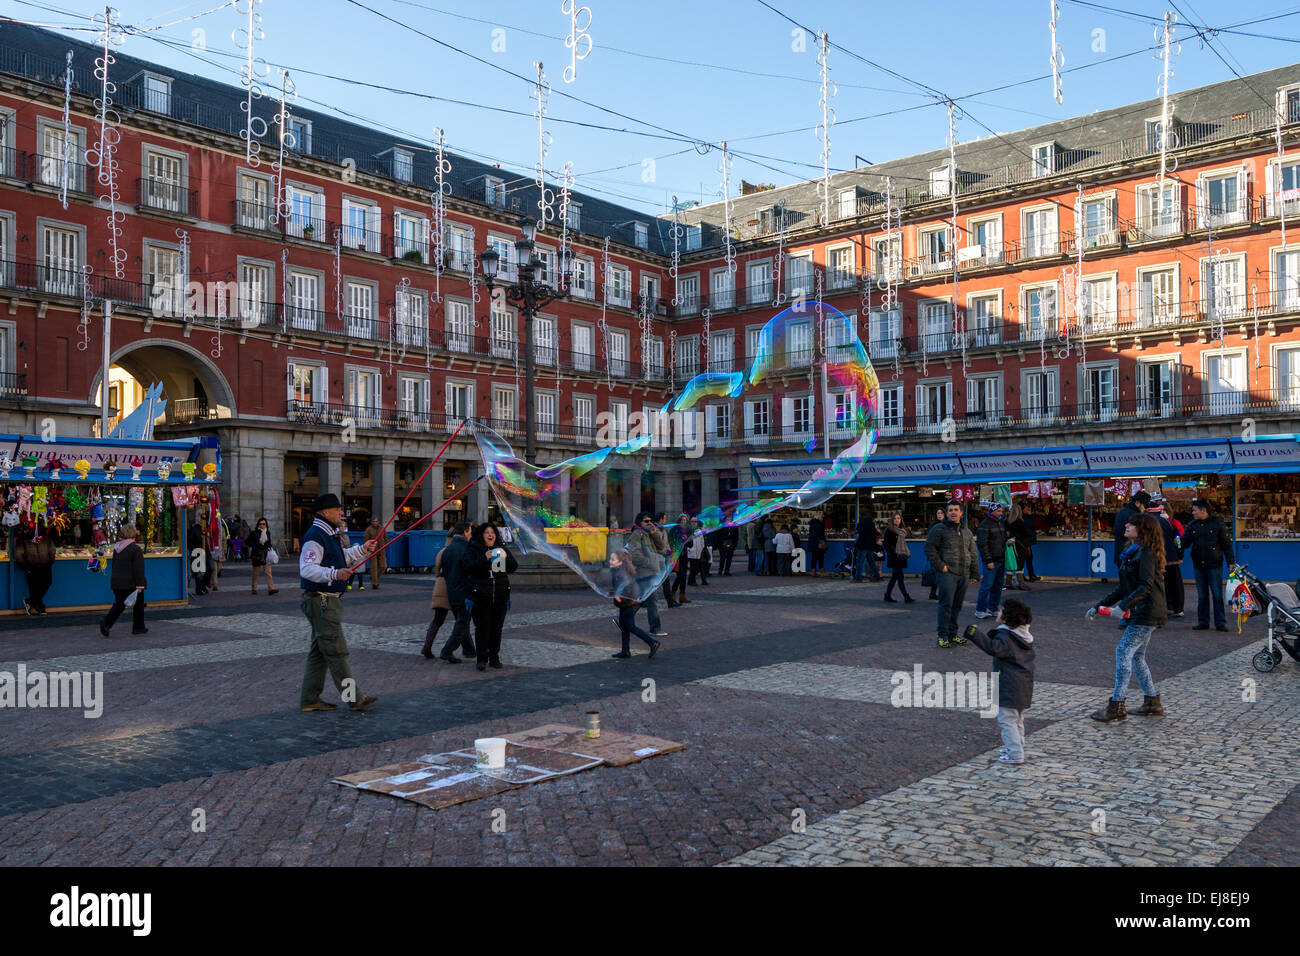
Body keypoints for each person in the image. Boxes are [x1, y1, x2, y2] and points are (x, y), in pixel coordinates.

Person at [298, 493, 379, 712]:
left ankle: (309, 699)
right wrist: (334, 574)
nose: (342, 513)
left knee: (320, 652)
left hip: (323, 600)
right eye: (338, 510)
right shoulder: (316, 535)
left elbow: (338, 556)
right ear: (326, 513)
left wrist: (361, 549)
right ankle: (355, 698)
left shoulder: (327, 533)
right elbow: (307, 569)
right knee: (335, 651)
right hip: (323, 601)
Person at [1087, 512, 1168, 722]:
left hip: (1147, 611)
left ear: (1142, 529)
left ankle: (1117, 705)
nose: (1126, 526)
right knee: (1137, 656)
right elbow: (1124, 588)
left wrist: (1122, 607)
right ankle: (1152, 702)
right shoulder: (1133, 552)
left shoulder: (1147, 553)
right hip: (1143, 610)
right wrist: (1099, 606)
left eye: (1131, 524)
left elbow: (1145, 586)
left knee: (1123, 652)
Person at [964, 598, 1036, 765]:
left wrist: (974, 634)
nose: (998, 612)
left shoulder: (1006, 637)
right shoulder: (1022, 635)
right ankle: (1017, 747)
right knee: (1017, 719)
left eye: (1001, 610)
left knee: (1007, 720)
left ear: (1006, 617)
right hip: (1023, 683)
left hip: (1010, 683)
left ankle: (1015, 754)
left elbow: (992, 648)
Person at [924, 500, 980, 648]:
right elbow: (929, 548)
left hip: (964, 574)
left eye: (956, 510)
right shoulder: (939, 529)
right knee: (946, 605)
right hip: (948, 573)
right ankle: (942, 636)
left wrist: (975, 573)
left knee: (957, 606)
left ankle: (952, 635)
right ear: (946, 513)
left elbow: (973, 553)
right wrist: (940, 566)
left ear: (961, 513)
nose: (953, 512)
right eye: (950, 510)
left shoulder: (967, 532)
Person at [464, 521, 518, 671]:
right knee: (482, 628)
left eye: (493, 533)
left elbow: (513, 568)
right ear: (481, 535)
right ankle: (481, 659)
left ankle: (494, 657)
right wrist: (484, 558)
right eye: (487, 532)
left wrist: (506, 556)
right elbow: (468, 567)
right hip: (480, 595)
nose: (490, 535)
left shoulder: (500, 549)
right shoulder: (474, 549)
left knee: (496, 628)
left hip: (500, 595)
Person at [1186, 498, 1234, 632]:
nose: (1193, 512)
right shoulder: (1192, 525)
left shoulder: (1217, 524)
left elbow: (1226, 544)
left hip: (1214, 565)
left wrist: (1230, 561)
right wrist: (1177, 542)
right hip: (1198, 565)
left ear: (1203, 511)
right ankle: (1203, 622)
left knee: (1217, 594)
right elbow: (1184, 543)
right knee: (1202, 595)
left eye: (1195, 510)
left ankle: (1220, 623)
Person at [436, 522, 478, 662]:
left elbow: (444, 571)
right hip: (464, 591)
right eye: (470, 531)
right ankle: (447, 650)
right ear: (466, 532)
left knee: (462, 621)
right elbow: (470, 571)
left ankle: (469, 650)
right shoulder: (466, 548)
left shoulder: (448, 549)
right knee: (462, 622)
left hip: (452, 590)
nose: (471, 534)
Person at [625, 512, 670, 639]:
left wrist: (654, 532)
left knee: (641, 599)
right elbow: (634, 554)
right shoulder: (636, 534)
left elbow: (661, 547)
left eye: (650, 520)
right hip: (644, 573)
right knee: (652, 601)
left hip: (653, 571)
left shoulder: (649, 533)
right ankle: (655, 629)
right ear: (639, 522)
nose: (649, 523)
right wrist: (650, 562)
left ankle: (622, 620)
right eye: (646, 521)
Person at [609, 550, 661, 659]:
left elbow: (628, 588)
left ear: (621, 562)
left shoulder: (622, 573)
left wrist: (618, 595)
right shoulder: (618, 571)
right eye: (610, 559)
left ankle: (652, 643)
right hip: (625, 603)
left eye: (613, 559)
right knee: (624, 626)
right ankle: (625, 650)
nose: (610, 561)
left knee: (630, 626)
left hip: (628, 603)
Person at [99, 524, 147, 637]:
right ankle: (137, 627)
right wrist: (140, 585)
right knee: (137, 604)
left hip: (117, 582)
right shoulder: (135, 549)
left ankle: (108, 623)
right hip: (130, 583)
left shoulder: (117, 548)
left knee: (120, 604)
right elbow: (138, 569)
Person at [1146, 496, 1184, 620]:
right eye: (1161, 510)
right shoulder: (1169, 523)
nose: (1162, 512)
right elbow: (1178, 539)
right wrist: (1179, 553)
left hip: (1164, 557)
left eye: (1164, 510)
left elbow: (1178, 539)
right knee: (1173, 583)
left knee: (1168, 584)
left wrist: (1179, 553)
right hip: (1170, 557)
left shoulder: (1168, 523)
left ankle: (1171, 607)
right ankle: (1175, 607)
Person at [974, 502, 1008, 620]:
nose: (1001, 513)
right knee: (987, 585)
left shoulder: (1000, 523)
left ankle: (992, 608)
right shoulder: (985, 525)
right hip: (991, 561)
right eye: (998, 511)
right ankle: (980, 609)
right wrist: (988, 560)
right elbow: (982, 544)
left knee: (998, 586)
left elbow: (1003, 540)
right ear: (992, 511)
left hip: (1000, 560)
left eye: (1001, 511)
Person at [15, 525, 56, 616]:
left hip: (45, 565)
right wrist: (26, 566)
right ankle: (40, 607)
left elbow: (52, 550)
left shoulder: (46, 538)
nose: (34, 529)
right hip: (32, 566)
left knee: (47, 583)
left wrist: (50, 561)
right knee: (34, 587)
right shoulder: (24, 540)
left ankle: (30, 601)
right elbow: (18, 554)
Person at [421, 542, 453, 658]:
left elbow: (437, 569)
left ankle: (427, 647)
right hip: (452, 587)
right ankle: (466, 649)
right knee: (462, 620)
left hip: (441, 586)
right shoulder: (458, 549)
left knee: (437, 620)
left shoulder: (442, 551)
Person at [881, 512, 915, 603]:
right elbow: (886, 544)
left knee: (894, 577)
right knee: (900, 577)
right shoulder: (889, 530)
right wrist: (893, 553)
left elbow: (908, 538)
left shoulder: (902, 530)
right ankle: (906, 596)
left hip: (901, 556)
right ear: (892, 520)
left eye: (898, 518)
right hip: (894, 557)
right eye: (895, 518)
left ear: (901, 520)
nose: (897, 520)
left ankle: (887, 595)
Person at [1113, 490, 1149, 569]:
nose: (1144, 509)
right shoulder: (1135, 516)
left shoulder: (1121, 512)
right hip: (1131, 555)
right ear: (1138, 503)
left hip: (1121, 553)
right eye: (1144, 506)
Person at [245, 516, 277, 595]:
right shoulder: (254, 533)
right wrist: (254, 545)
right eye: (261, 524)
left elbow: (268, 543)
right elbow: (247, 542)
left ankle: (271, 589)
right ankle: (254, 588)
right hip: (257, 555)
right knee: (256, 573)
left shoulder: (267, 533)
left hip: (266, 555)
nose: (262, 525)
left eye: (264, 524)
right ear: (258, 524)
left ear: (266, 525)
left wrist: (270, 548)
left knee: (268, 572)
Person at [853, 511, 881, 582]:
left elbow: (859, 531)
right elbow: (876, 533)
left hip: (863, 545)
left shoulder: (862, 522)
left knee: (859, 562)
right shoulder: (871, 523)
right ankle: (876, 577)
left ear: (861, 515)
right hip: (870, 545)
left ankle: (858, 578)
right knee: (871, 562)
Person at [672, 513, 693, 604]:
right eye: (682, 520)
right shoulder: (674, 530)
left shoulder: (687, 531)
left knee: (684, 576)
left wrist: (689, 539)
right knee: (680, 576)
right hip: (677, 557)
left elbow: (690, 545)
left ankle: (682, 595)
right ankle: (673, 593)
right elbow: (672, 542)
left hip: (684, 556)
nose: (683, 522)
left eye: (685, 520)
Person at [363, 516, 388, 590]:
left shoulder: (382, 528)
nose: (375, 523)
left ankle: (374, 577)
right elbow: (365, 540)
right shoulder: (368, 529)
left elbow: (386, 538)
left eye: (376, 521)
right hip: (372, 551)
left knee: (383, 566)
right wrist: (369, 547)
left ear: (378, 522)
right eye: (373, 521)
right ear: (371, 522)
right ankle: (375, 583)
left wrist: (384, 545)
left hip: (381, 550)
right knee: (373, 567)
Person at [926, 506, 945, 600]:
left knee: (941, 574)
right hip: (936, 553)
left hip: (944, 553)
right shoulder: (933, 526)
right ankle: (933, 593)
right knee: (937, 573)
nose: (940, 515)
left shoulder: (947, 524)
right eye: (938, 513)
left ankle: (934, 593)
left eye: (941, 513)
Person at [188, 518, 209, 596]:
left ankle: (203, 585)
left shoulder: (205, 528)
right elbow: (190, 541)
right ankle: (199, 588)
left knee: (210, 568)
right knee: (199, 572)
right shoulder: (194, 529)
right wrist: (194, 549)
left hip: (205, 551)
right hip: (197, 551)